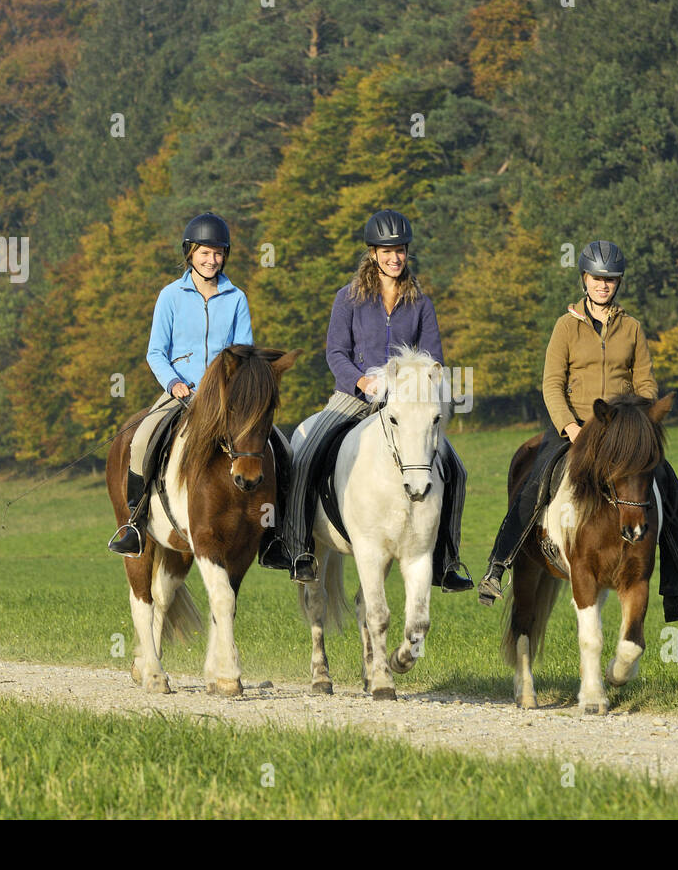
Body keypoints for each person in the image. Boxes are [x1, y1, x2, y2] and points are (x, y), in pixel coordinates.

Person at [475, 239, 678, 621]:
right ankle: (498, 565)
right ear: (584, 279)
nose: (603, 285)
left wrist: (636, 418)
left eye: (610, 279)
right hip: (575, 427)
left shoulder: (632, 328)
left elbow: (647, 384)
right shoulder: (565, 327)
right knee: (535, 480)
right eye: (596, 278)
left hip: (621, 434)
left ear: (618, 283)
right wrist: (569, 424)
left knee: (670, 487)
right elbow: (552, 383)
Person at [274, 209, 473, 591]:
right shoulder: (347, 299)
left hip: (402, 405)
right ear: (372, 253)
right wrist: (361, 381)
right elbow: (335, 353)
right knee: (308, 453)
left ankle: (446, 563)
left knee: (457, 471)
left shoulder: (421, 304)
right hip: (353, 396)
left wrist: (414, 388)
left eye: (399, 251)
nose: (394, 258)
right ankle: (298, 547)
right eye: (386, 251)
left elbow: (434, 362)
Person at [109, 212, 292, 564]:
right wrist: (174, 382)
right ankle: (134, 523)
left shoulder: (236, 297)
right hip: (181, 392)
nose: (212, 260)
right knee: (143, 438)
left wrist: (239, 389)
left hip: (226, 400)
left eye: (218, 253)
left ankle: (273, 536)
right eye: (205, 253)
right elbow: (155, 352)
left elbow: (245, 354)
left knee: (279, 448)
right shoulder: (170, 296)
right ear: (190, 253)